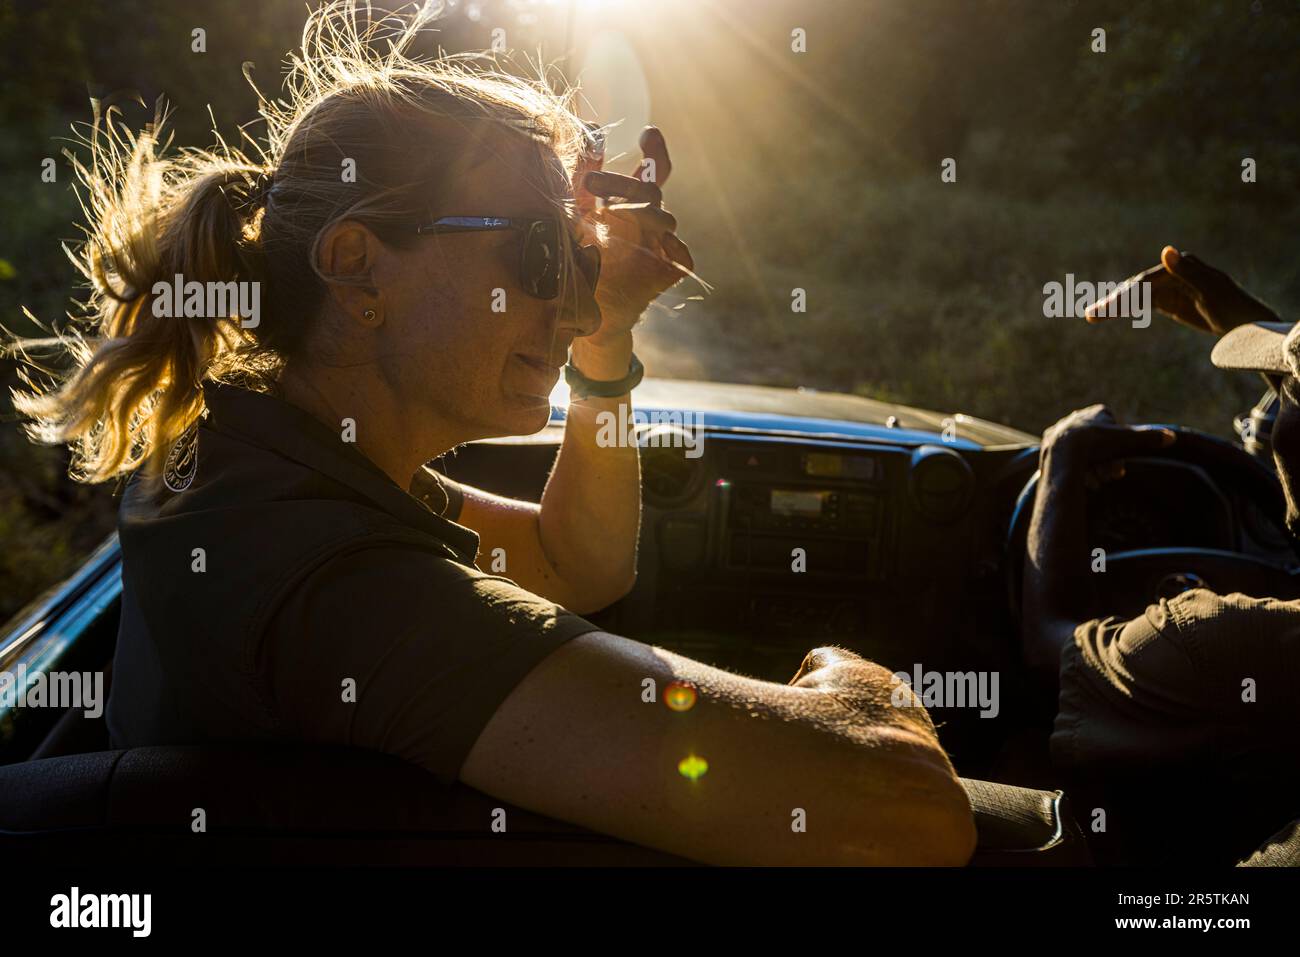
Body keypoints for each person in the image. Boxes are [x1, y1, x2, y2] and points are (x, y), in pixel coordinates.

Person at [9, 2, 974, 866]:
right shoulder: (346, 590)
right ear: (357, 270)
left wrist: (607, 340)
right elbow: (903, 805)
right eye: (538, 250)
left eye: (577, 253)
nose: (572, 295)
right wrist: (860, 679)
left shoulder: (261, 454)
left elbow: (575, 560)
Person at [1023, 245, 1300, 773]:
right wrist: (1255, 329)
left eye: (1286, 397)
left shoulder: (1223, 641)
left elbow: (1050, 652)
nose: (1269, 416)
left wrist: (1061, 456)